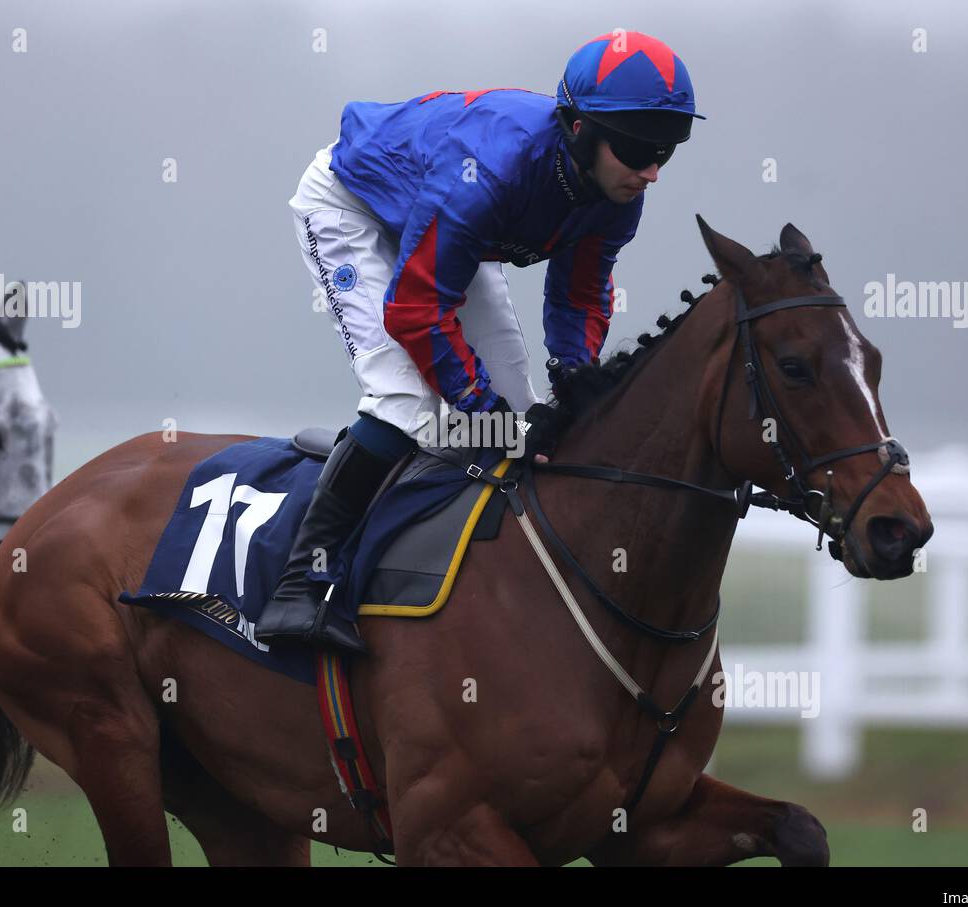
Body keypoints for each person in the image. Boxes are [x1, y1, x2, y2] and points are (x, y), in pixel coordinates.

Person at [253, 30, 704, 652]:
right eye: (636, 149)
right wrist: (481, 411)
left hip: (447, 229)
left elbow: (578, 297)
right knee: (408, 404)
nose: (651, 171)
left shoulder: (618, 194)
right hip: (354, 207)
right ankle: (300, 586)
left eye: (667, 150)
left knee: (522, 419)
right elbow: (415, 310)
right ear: (578, 128)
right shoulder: (493, 166)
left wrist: (572, 389)